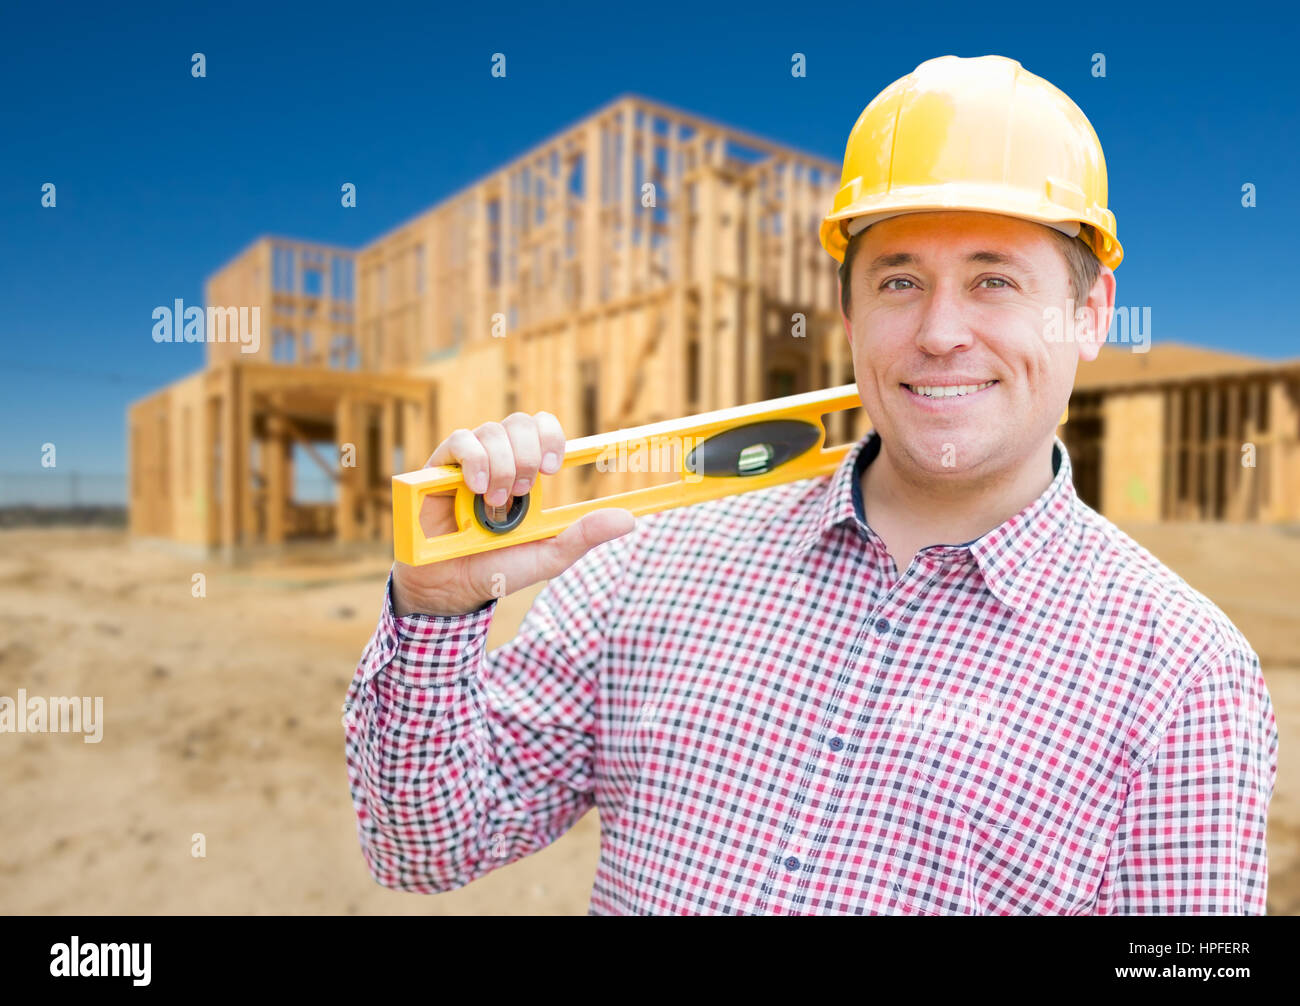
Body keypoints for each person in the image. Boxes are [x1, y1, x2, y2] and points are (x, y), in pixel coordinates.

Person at [342, 54, 1278, 914]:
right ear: (847, 314)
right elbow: (424, 849)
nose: (941, 332)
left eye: (994, 280)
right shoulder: (650, 564)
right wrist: (433, 611)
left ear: (1089, 313)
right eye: (899, 282)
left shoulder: (1183, 679)